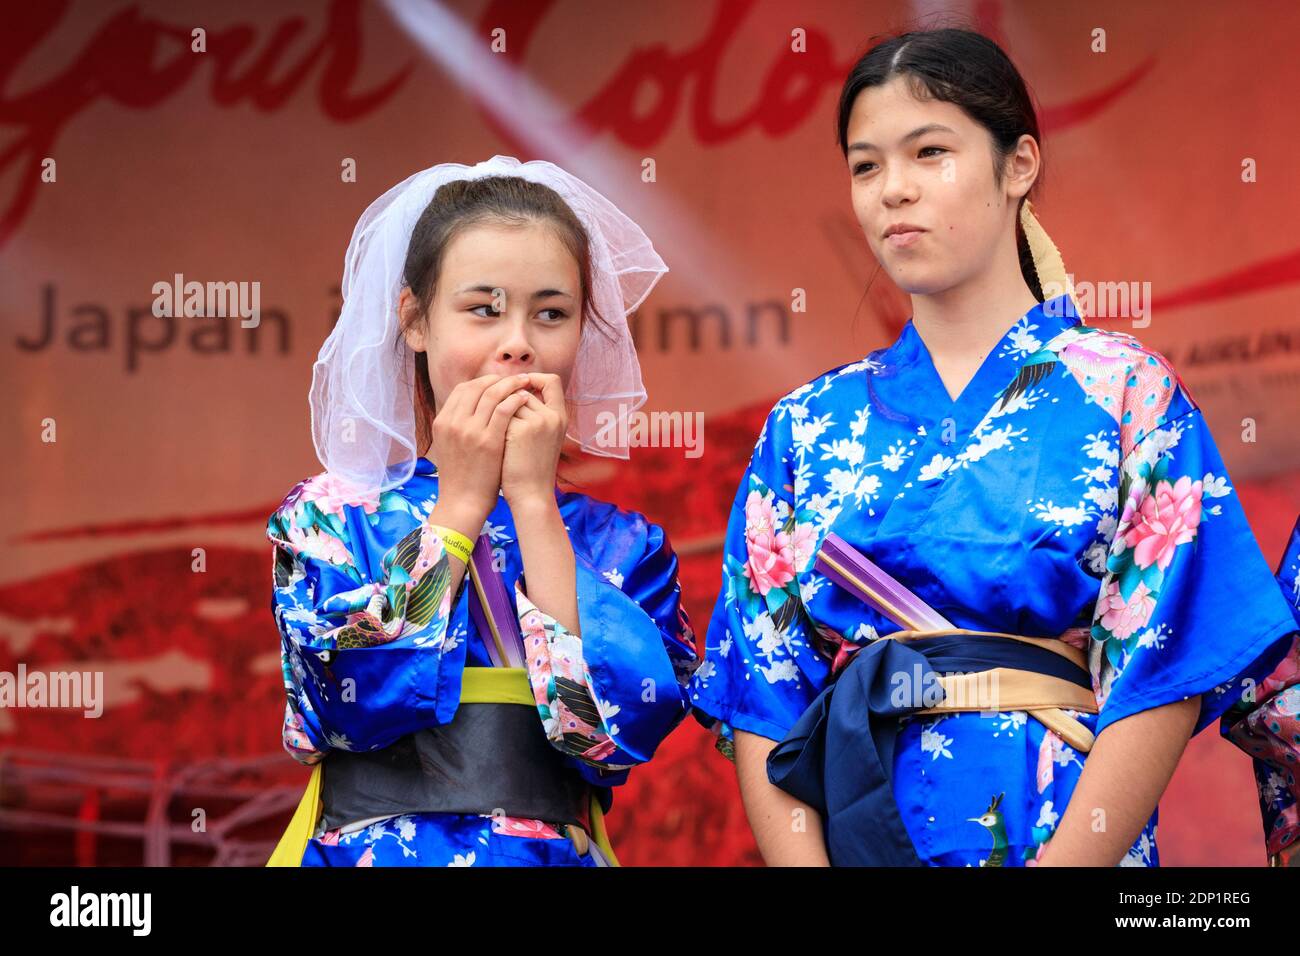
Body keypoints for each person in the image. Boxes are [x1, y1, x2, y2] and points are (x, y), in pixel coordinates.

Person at [688, 27, 1300, 867]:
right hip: (857, 824)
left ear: (1019, 165)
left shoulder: (1125, 390)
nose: (893, 191)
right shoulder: (804, 423)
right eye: (866, 166)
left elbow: (1165, 666)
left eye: (929, 152)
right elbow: (763, 694)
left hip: (1057, 829)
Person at [264, 156, 699, 867]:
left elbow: (617, 734)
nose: (519, 340)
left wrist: (531, 502)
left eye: (551, 313)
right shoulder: (329, 518)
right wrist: (460, 506)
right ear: (414, 320)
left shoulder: (623, 543)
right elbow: (344, 704)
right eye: (484, 309)